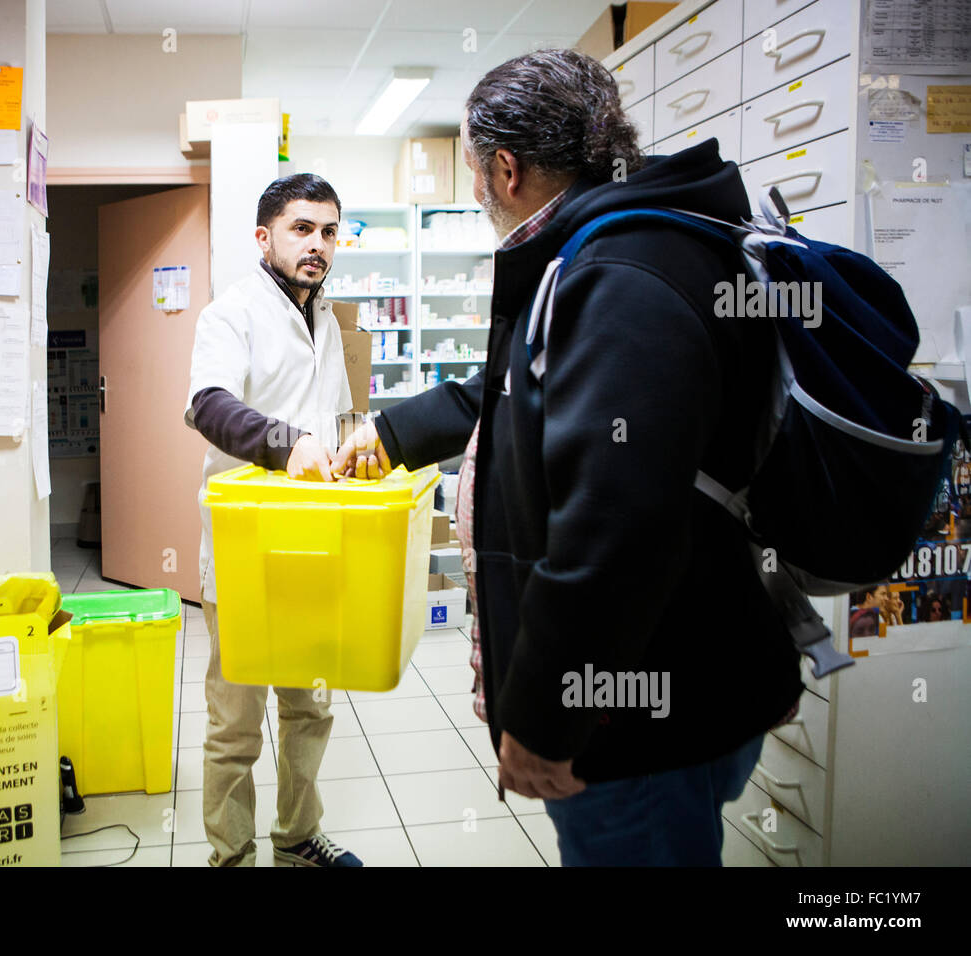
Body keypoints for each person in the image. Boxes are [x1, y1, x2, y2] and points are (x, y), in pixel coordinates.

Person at [334, 50, 804, 866]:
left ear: (505, 170)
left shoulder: (618, 271)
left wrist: (549, 721)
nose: (480, 197)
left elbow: (614, 532)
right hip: (672, 683)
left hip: (638, 719)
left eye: (478, 178)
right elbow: (516, 383)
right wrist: (391, 434)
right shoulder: (614, 246)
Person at [184, 174, 361, 868]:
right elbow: (209, 406)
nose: (317, 244)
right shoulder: (231, 315)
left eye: (327, 232)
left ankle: (297, 837)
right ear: (264, 237)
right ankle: (232, 858)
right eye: (301, 229)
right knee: (235, 726)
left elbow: (337, 417)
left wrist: (356, 442)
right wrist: (290, 445)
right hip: (245, 551)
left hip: (312, 549)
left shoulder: (324, 319)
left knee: (310, 708)